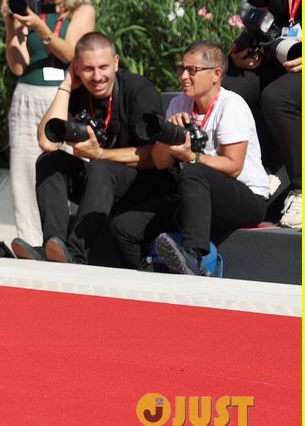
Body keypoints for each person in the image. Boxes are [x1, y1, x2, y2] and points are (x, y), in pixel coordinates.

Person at [109, 42, 269, 272]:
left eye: (192, 70)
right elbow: (161, 162)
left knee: (193, 170)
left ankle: (194, 256)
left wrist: (191, 156)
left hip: (246, 198)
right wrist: (169, 136)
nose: (184, 76)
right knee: (123, 226)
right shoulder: (179, 104)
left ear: (216, 74)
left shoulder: (231, 105)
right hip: (195, 194)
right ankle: (144, 278)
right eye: (182, 69)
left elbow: (233, 166)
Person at [15, 32, 172, 263]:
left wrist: (99, 154)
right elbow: (47, 142)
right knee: (50, 161)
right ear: (76, 68)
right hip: (102, 184)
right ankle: (53, 246)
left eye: (103, 67)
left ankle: (75, 254)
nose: (97, 77)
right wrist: (66, 85)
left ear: (116, 63)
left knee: (100, 167)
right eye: (88, 69)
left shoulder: (138, 90)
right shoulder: (77, 91)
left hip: (145, 184)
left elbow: (154, 156)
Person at [2, 0, 96, 247]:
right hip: (28, 95)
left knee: (67, 169)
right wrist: (11, 24)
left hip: (65, 96)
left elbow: (72, 55)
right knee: (25, 175)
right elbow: (18, 66)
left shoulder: (81, 11)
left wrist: (41, 28)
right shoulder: (28, 9)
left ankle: (69, 243)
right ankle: (31, 243)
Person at [223, 0, 302, 229]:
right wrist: (240, 50)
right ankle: (256, 170)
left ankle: (299, 188)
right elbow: (258, 17)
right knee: (231, 85)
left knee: (277, 97)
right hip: (279, 56)